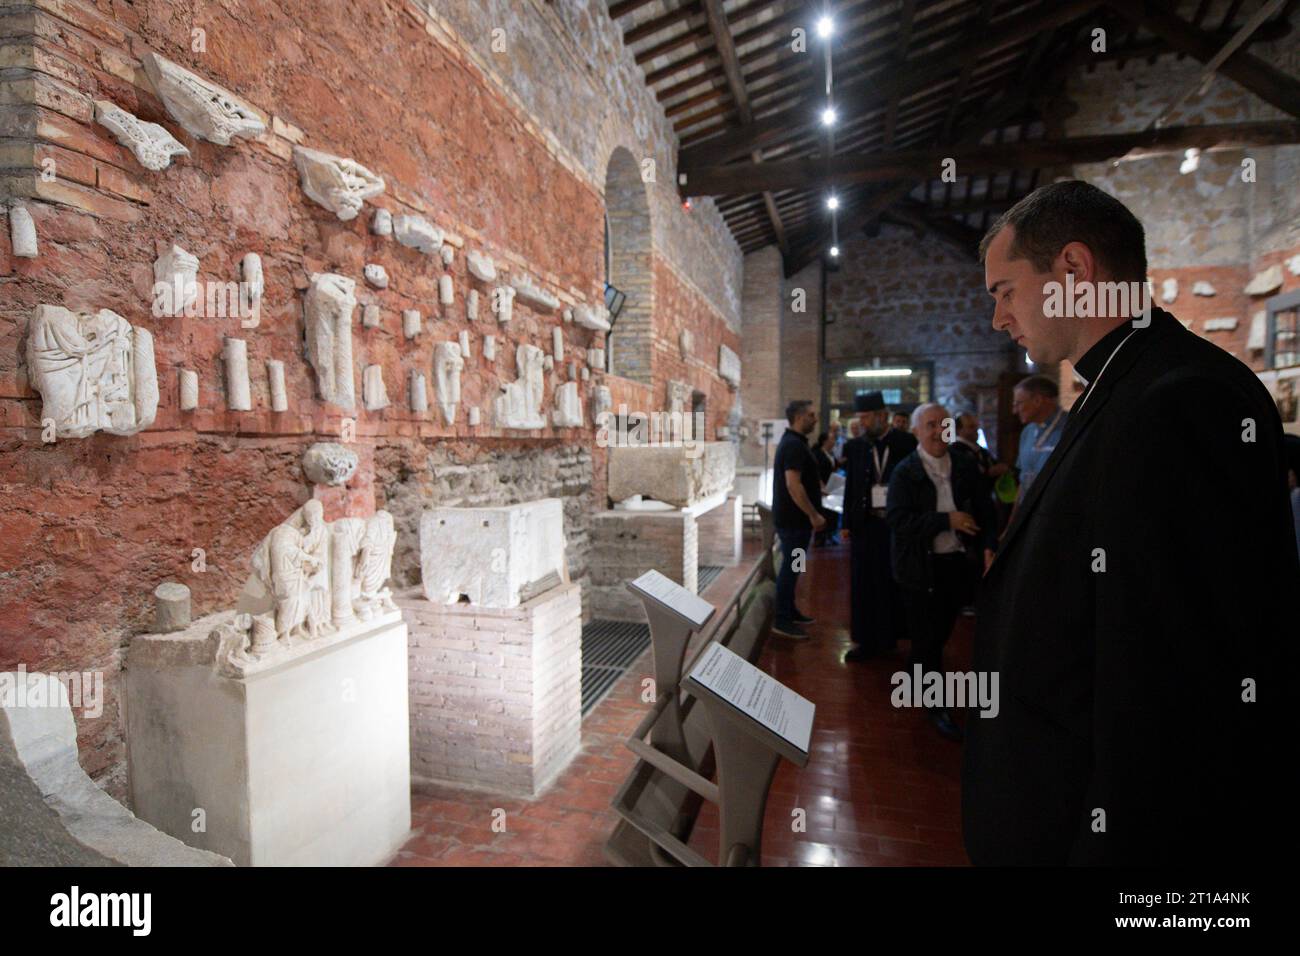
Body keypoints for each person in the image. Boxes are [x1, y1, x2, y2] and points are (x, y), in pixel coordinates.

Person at [966, 179, 1298, 866]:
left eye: (1004, 290)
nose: (998, 316)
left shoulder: (1180, 400)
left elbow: (1175, 695)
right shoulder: (1123, 384)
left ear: (1074, 271)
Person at [886, 404, 997, 740]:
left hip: (957, 563)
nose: (938, 431)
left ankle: (917, 673)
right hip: (920, 567)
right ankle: (936, 705)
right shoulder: (906, 472)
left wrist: (989, 544)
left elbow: (986, 509)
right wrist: (946, 520)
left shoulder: (964, 465)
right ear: (918, 431)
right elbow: (898, 521)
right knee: (928, 637)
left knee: (941, 631)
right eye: (931, 425)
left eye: (944, 425)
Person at [841, 391, 904, 661]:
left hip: (894, 525)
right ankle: (865, 641)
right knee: (864, 583)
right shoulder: (856, 447)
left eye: (866, 417)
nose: (862, 423)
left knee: (891, 582)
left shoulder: (905, 442)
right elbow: (851, 486)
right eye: (860, 418)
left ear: (882, 416)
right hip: (865, 526)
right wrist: (846, 522)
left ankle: (890, 636)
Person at [770, 399, 824, 639]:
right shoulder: (793, 445)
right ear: (801, 417)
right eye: (812, 415)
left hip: (796, 523)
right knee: (791, 569)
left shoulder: (797, 443)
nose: (815, 419)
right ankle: (781, 619)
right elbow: (793, 485)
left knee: (795, 567)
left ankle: (789, 610)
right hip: (794, 522)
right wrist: (813, 514)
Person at [1011, 375, 1064, 498]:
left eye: (1018, 403)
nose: (1015, 410)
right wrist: (1015, 516)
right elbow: (1024, 479)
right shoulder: (1027, 432)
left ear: (1037, 401)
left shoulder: (1070, 427)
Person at [811, 431, 840, 546]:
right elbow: (815, 471)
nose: (834, 441)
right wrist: (821, 485)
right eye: (832, 439)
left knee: (832, 511)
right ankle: (820, 537)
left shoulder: (831, 454)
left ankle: (830, 534)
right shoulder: (817, 454)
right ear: (825, 441)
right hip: (822, 488)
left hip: (832, 486)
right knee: (822, 511)